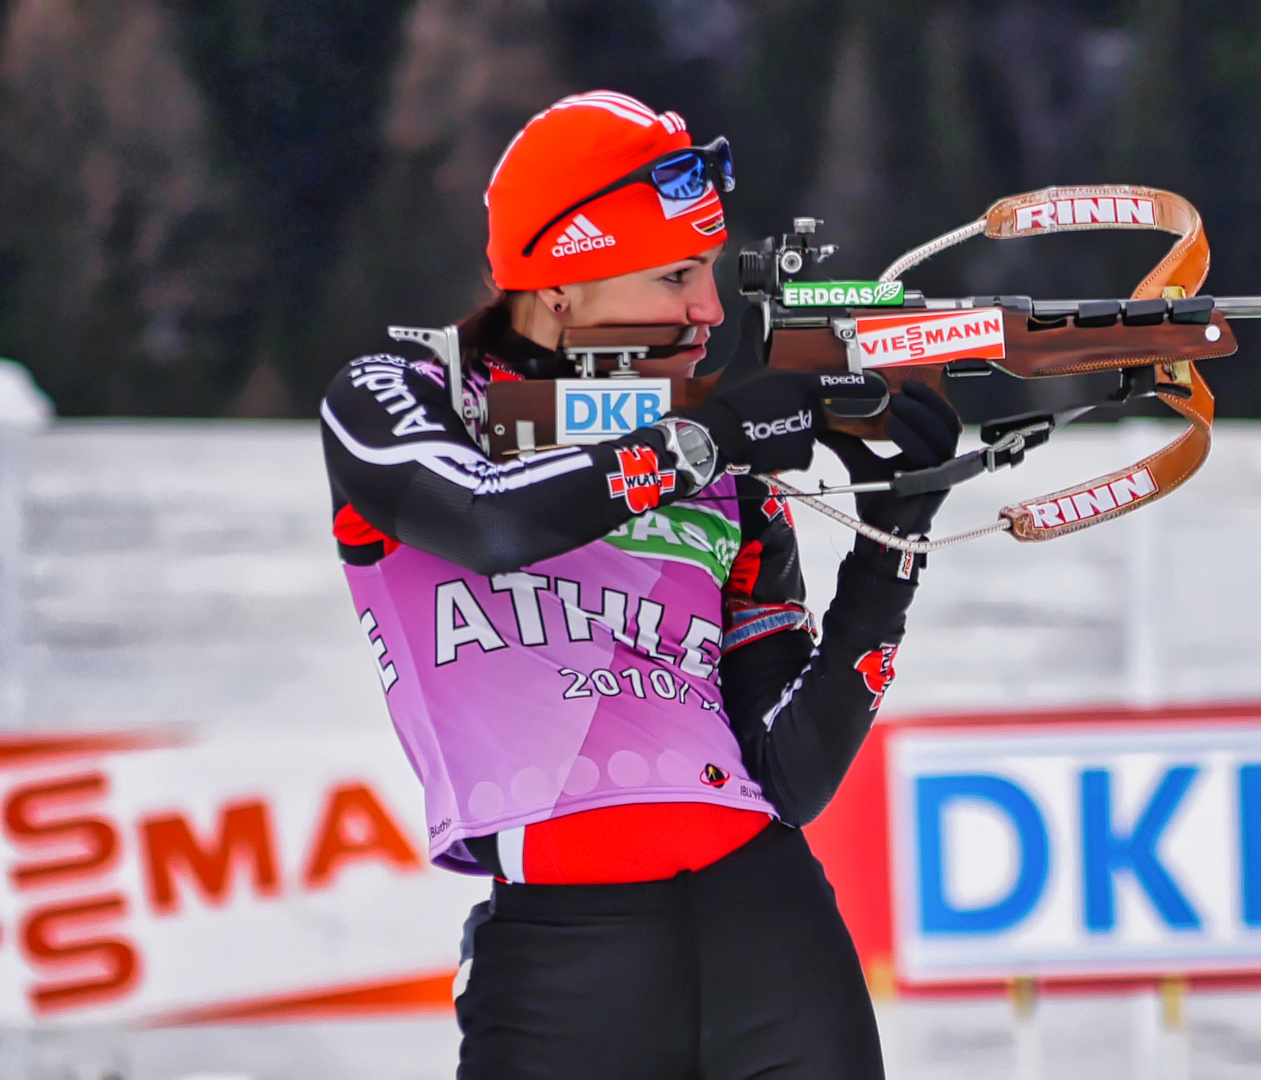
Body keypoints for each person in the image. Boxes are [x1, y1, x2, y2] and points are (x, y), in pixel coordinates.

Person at [319, 90, 956, 1079]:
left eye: (709, 271)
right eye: (675, 276)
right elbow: (490, 521)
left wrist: (894, 541)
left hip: (769, 929)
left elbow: (788, 772)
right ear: (562, 286)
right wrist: (715, 435)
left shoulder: (724, 479)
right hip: (565, 958)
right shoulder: (407, 396)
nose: (709, 308)